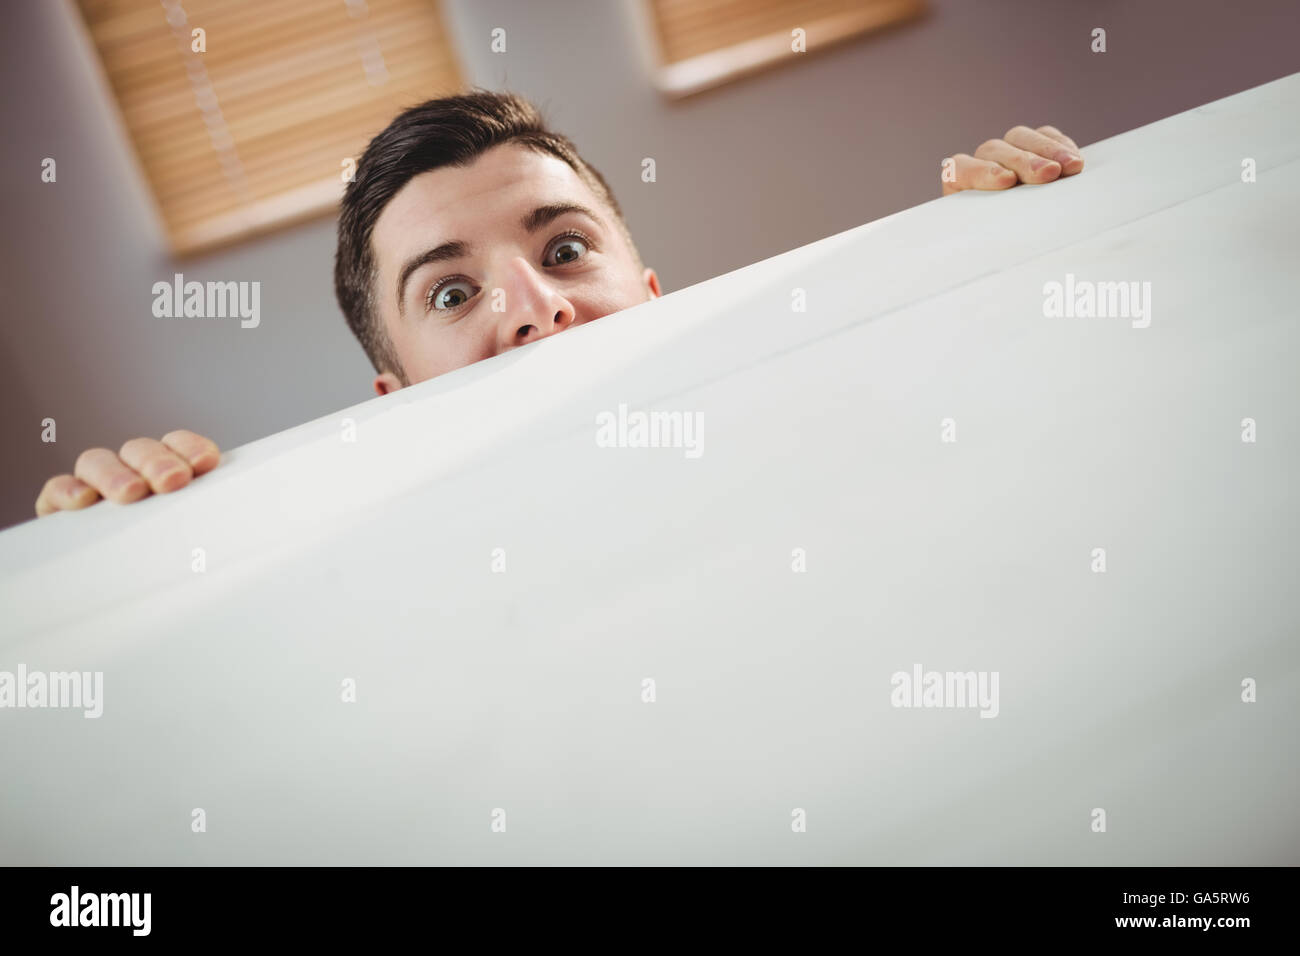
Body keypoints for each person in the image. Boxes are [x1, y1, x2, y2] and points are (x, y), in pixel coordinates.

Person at [34, 90, 1084, 517]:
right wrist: (115, 548)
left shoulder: (841, 431)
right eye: (451, 290)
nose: (538, 308)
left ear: (651, 289)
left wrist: (1018, 252)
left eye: (567, 247)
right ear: (393, 395)